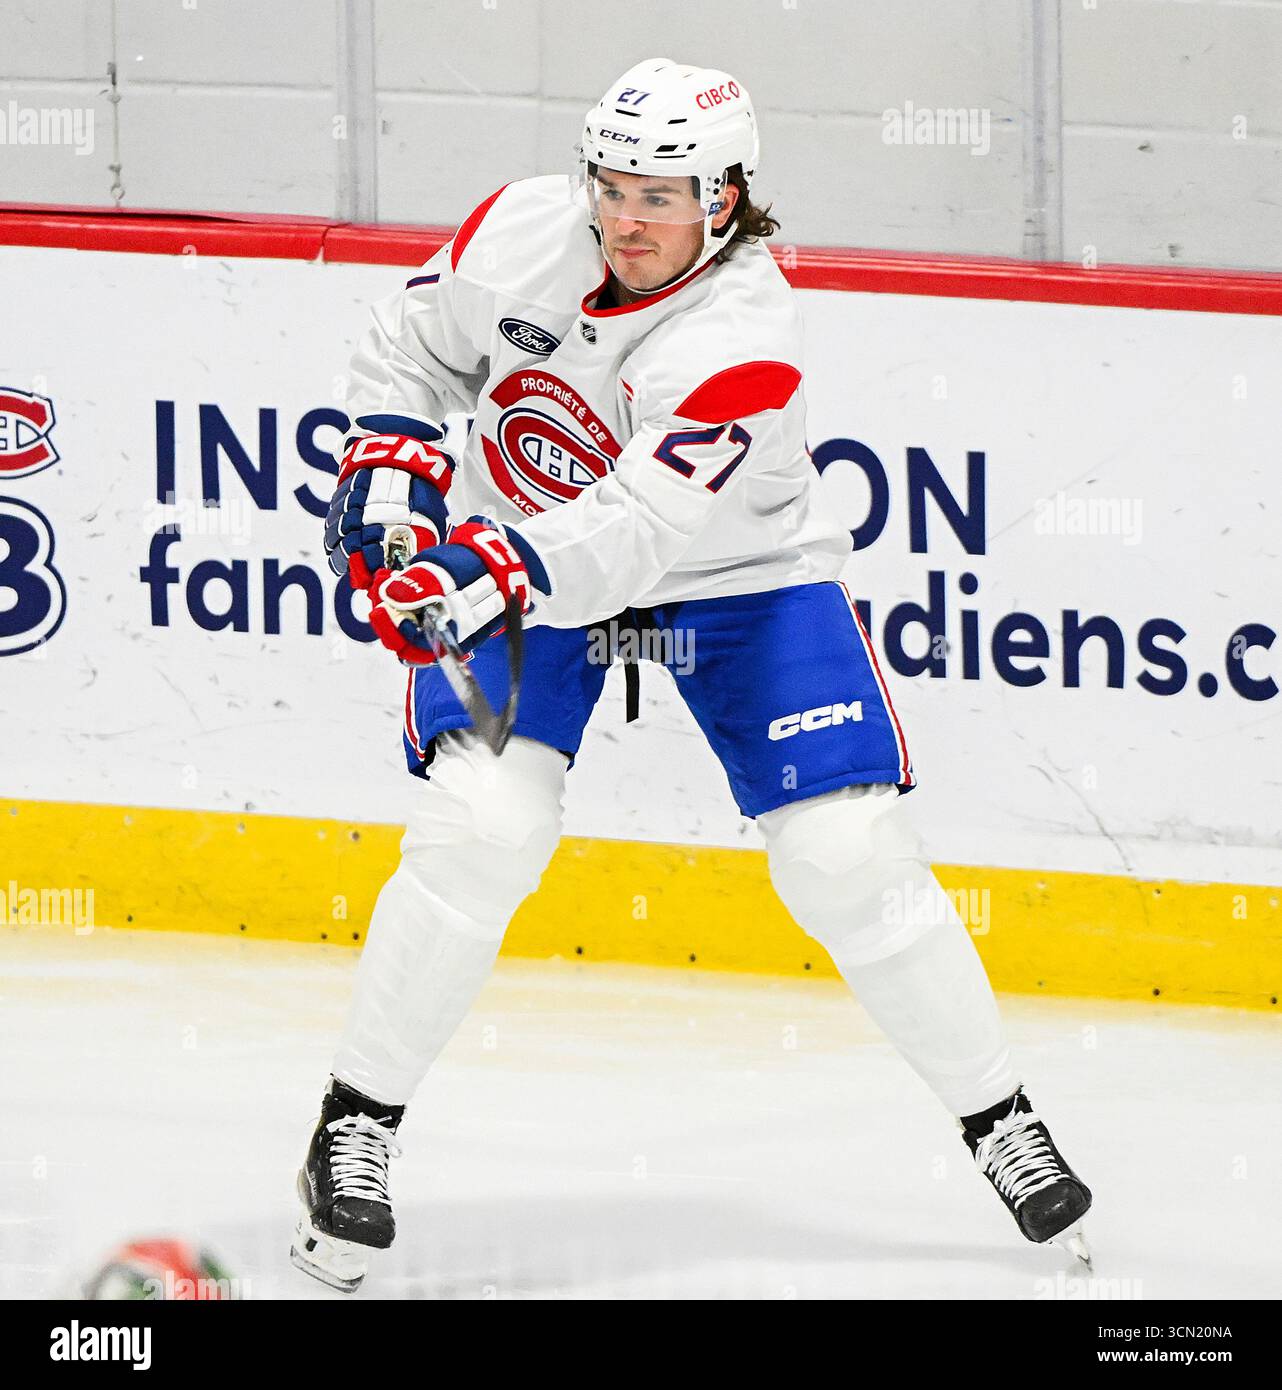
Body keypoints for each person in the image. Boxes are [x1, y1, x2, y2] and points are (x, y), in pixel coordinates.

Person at [293, 57, 1091, 1293]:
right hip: (528, 546)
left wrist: (475, 574)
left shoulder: (743, 332)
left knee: (845, 853)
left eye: (658, 197)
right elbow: (413, 346)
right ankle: (354, 1124)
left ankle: (1001, 1120)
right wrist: (388, 474)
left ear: (723, 200)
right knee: (483, 827)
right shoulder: (519, 228)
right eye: (610, 186)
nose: (625, 219)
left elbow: (635, 532)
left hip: (733, 576)